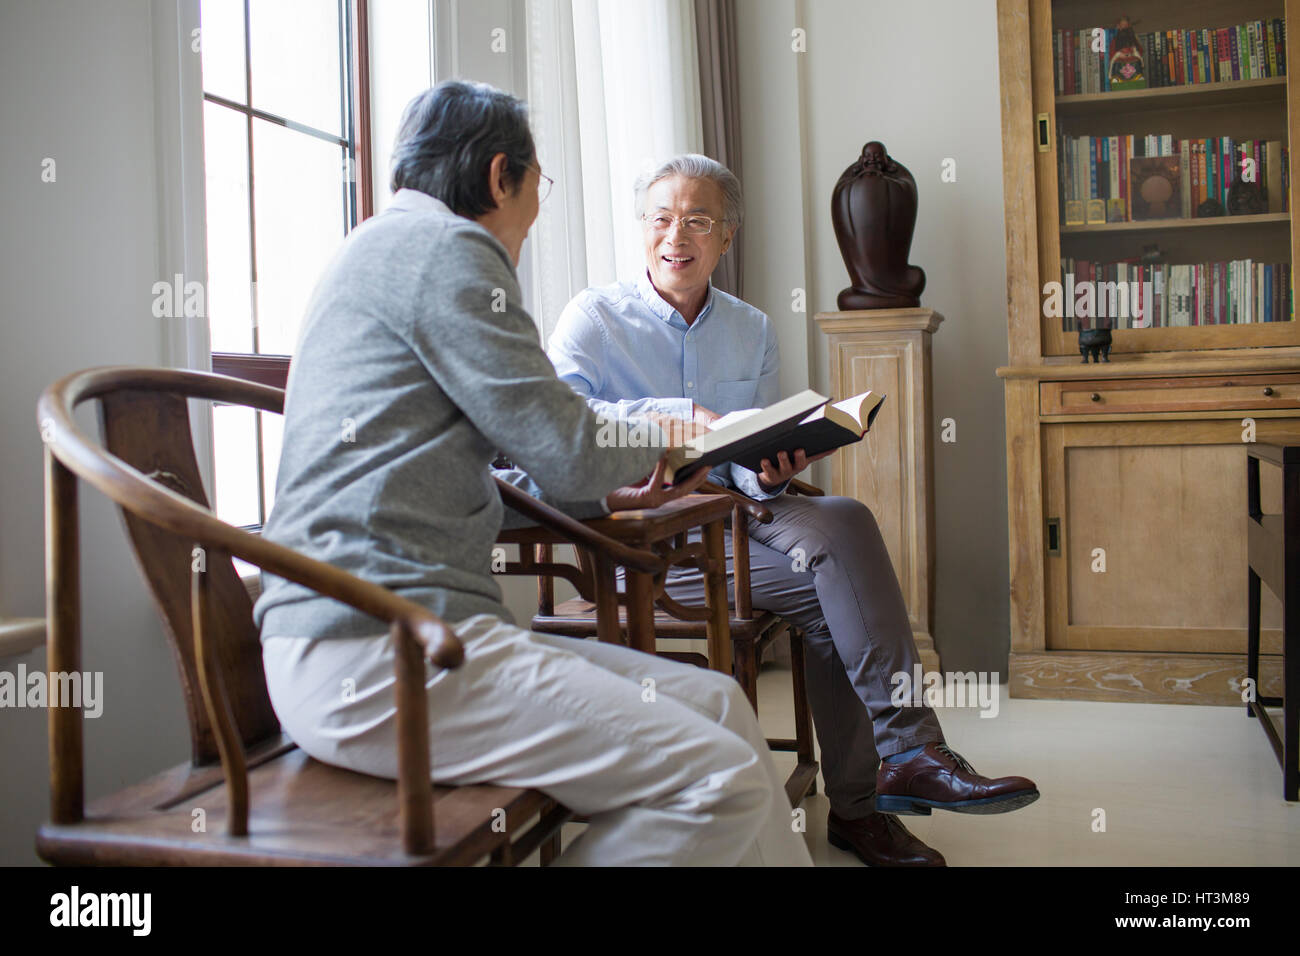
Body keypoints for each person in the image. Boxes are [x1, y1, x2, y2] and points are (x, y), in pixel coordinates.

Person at [252, 84, 813, 866]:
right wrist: (667, 435)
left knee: (719, 703)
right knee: (717, 779)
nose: (536, 211)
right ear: (497, 177)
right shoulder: (448, 254)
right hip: (379, 656)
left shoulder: (385, 247)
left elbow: (508, 469)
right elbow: (566, 441)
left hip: (400, 645)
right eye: (538, 185)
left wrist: (612, 479)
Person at [547, 153, 1039, 867]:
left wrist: (774, 469)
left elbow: (748, 460)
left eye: (697, 220)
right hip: (643, 543)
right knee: (838, 589)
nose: (674, 235)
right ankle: (880, 789)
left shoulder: (750, 328)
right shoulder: (593, 317)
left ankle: (902, 763)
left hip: (738, 521)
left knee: (846, 516)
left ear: (727, 235)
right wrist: (673, 415)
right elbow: (558, 423)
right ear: (642, 228)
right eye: (660, 218)